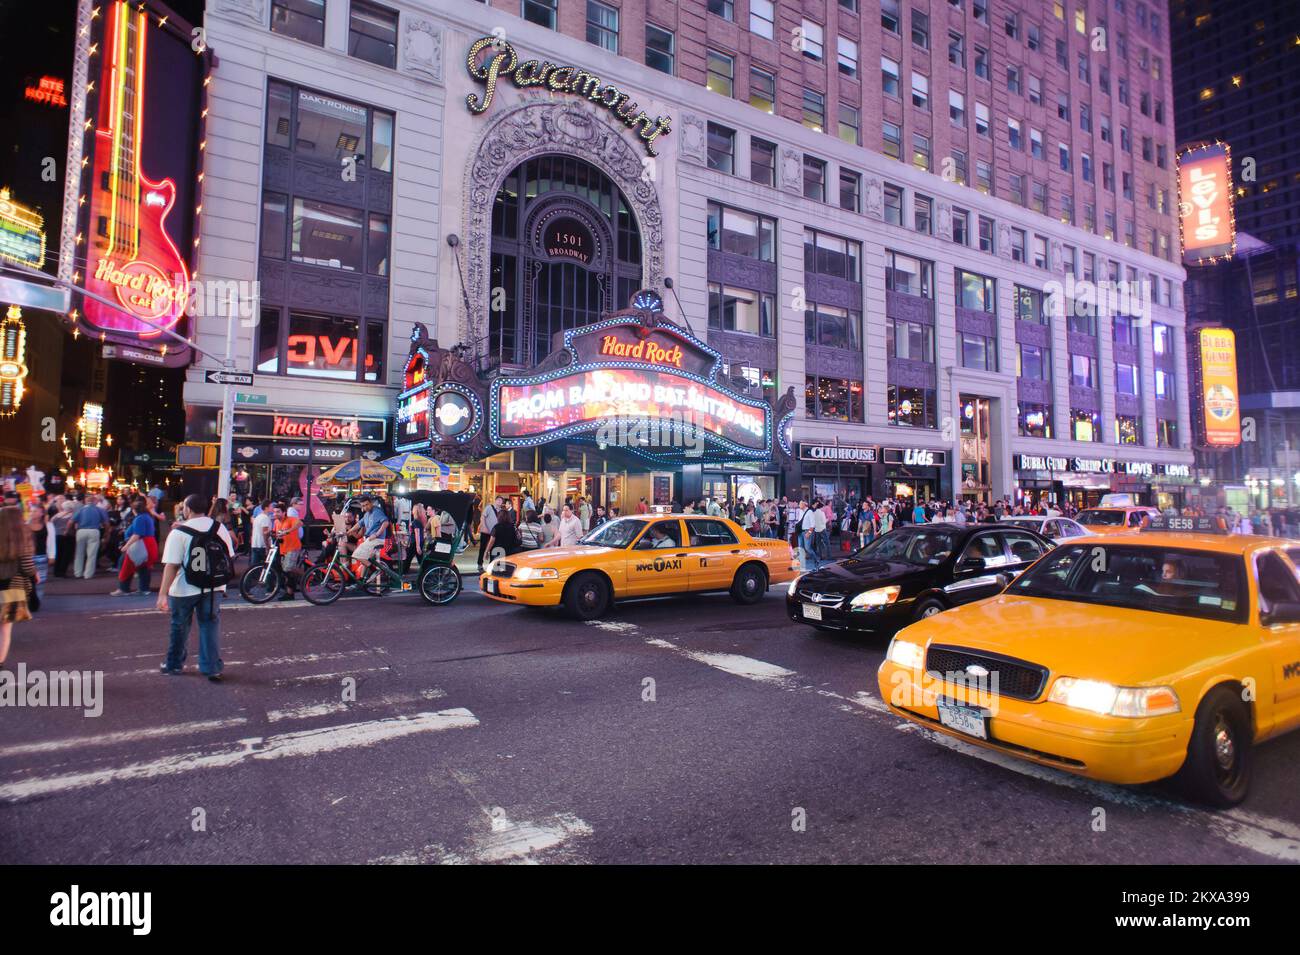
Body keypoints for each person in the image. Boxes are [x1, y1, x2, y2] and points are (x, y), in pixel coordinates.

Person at [155, 494, 234, 681]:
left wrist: (162, 594)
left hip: (184, 588)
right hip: (213, 587)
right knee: (210, 625)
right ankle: (212, 667)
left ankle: (174, 664)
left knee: (180, 626)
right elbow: (227, 556)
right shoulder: (219, 527)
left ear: (187, 509)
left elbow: (172, 565)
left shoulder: (179, 532)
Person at [0, 506, 38, 669]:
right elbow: (27, 566)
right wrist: (34, 574)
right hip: (13, 586)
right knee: (5, 630)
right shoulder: (23, 537)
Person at [111, 499, 158, 595]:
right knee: (143, 567)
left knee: (124, 564)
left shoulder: (139, 518)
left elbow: (137, 534)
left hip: (140, 545)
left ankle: (123, 588)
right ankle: (144, 589)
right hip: (148, 544)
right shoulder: (147, 517)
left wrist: (126, 546)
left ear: (134, 510)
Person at [272, 502, 304, 599]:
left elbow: (300, 523)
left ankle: (307, 574)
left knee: (288, 568)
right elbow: (275, 533)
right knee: (286, 572)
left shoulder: (291, 519)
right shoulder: (276, 522)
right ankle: (290, 594)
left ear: (284, 512)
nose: (275, 514)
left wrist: (288, 531)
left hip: (293, 548)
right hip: (283, 549)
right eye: (274, 512)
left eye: (278, 512)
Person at [352, 495, 390, 573]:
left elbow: (386, 522)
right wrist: (348, 532)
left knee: (356, 555)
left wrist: (376, 534)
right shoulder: (366, 514)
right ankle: (362, 582)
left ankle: (374, 571)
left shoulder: (377, 511)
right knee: (365, 559)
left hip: (376, 539)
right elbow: (359, 524)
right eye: (363, 506)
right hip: (370, 539)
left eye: (367, 504)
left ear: (371, 503)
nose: (365, 507)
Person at [73, 494, 107, 579]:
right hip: (94, 531)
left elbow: (71, 521)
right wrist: (107, 533)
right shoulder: (100, 510)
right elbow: (106, 523)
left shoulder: (80, 509)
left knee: (79, 553)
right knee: (91, 554)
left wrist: (67, 531)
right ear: (95, 501)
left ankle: (78, 573)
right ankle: (88, 574)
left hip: (81, 531)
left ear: (85, 501)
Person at [477, 495, 500, 569]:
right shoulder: (489, 507)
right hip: (486, 532)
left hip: (495, 533)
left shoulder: (500, 510)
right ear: (495, 500)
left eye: (501, 501)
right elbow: (482, 517)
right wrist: (484, 527)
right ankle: (480, 564)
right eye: (498, 500)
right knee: (483, 548)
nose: (500, 502)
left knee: (493, 548)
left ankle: (491, 564)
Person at [250, 500, 273, 570]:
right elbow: (265, 533)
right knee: (266, 566)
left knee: (254, 566)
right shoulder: (265, 518)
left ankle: (250, 579)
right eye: (271, 506)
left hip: (255, 544)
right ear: (266, 508)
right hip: (262, 545)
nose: (272, 508)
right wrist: (267, 546)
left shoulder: (257, 517)